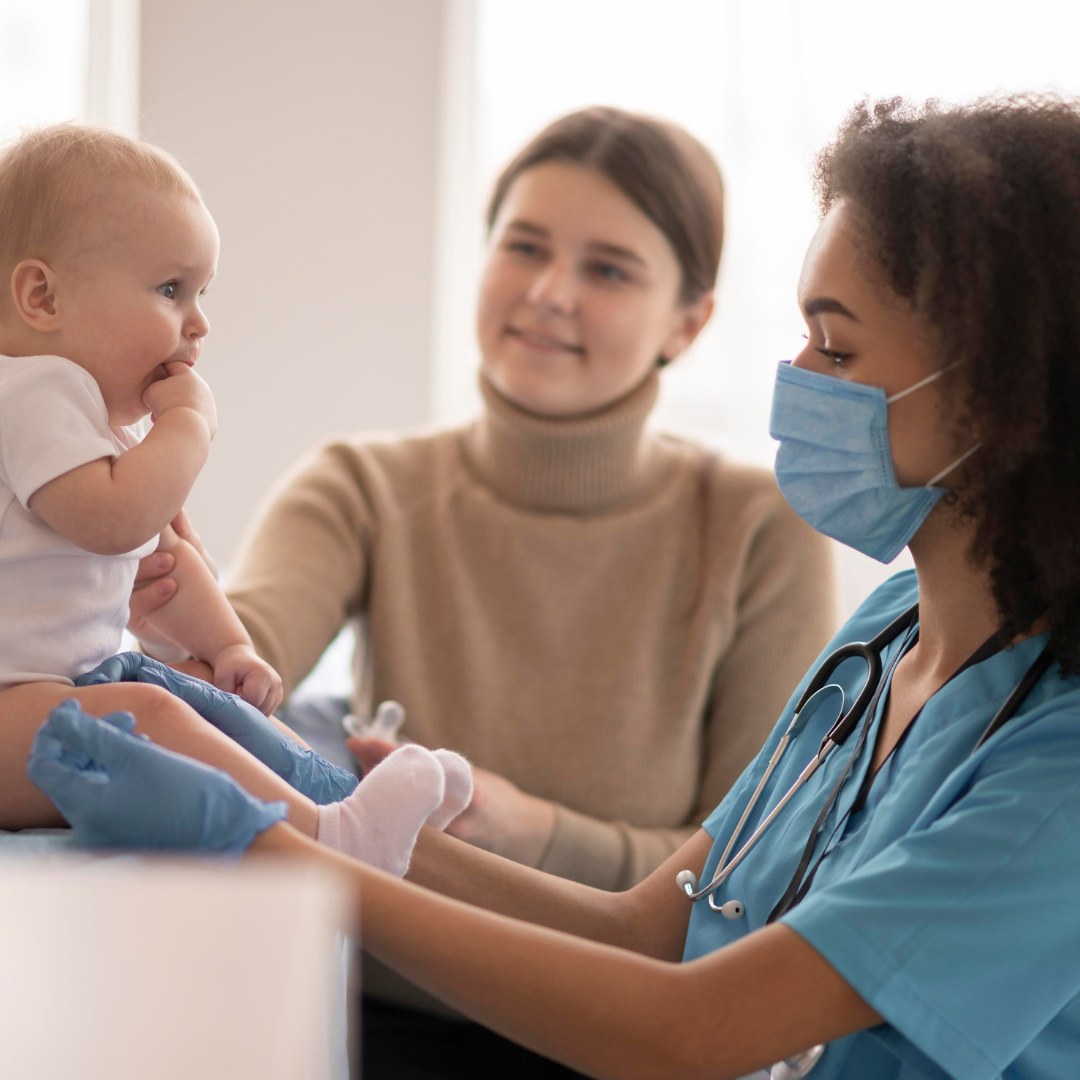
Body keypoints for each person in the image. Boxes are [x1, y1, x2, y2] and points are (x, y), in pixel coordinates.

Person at [40, 93, 1080, 1080]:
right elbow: (646, 923)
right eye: (524, 247)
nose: (798, 374)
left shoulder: (1056, 762)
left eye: (837, 346)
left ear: (1007, 393)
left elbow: (685, 1029)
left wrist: (271, 850)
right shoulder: (891, 633)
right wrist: (314, 798)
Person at [0, 124, 471, 875]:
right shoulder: (27, 393)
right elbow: (119, 521)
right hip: (8, 716)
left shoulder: (93, 430)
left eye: (201, 293)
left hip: (49, 697)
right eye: (169, 290)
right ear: (42, 296)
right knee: (152, 714)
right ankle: (332, 835)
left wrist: (228, 649)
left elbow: (166, 562)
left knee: (187, 693)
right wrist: (191, 424)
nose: (200, 322)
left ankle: (353, 805)